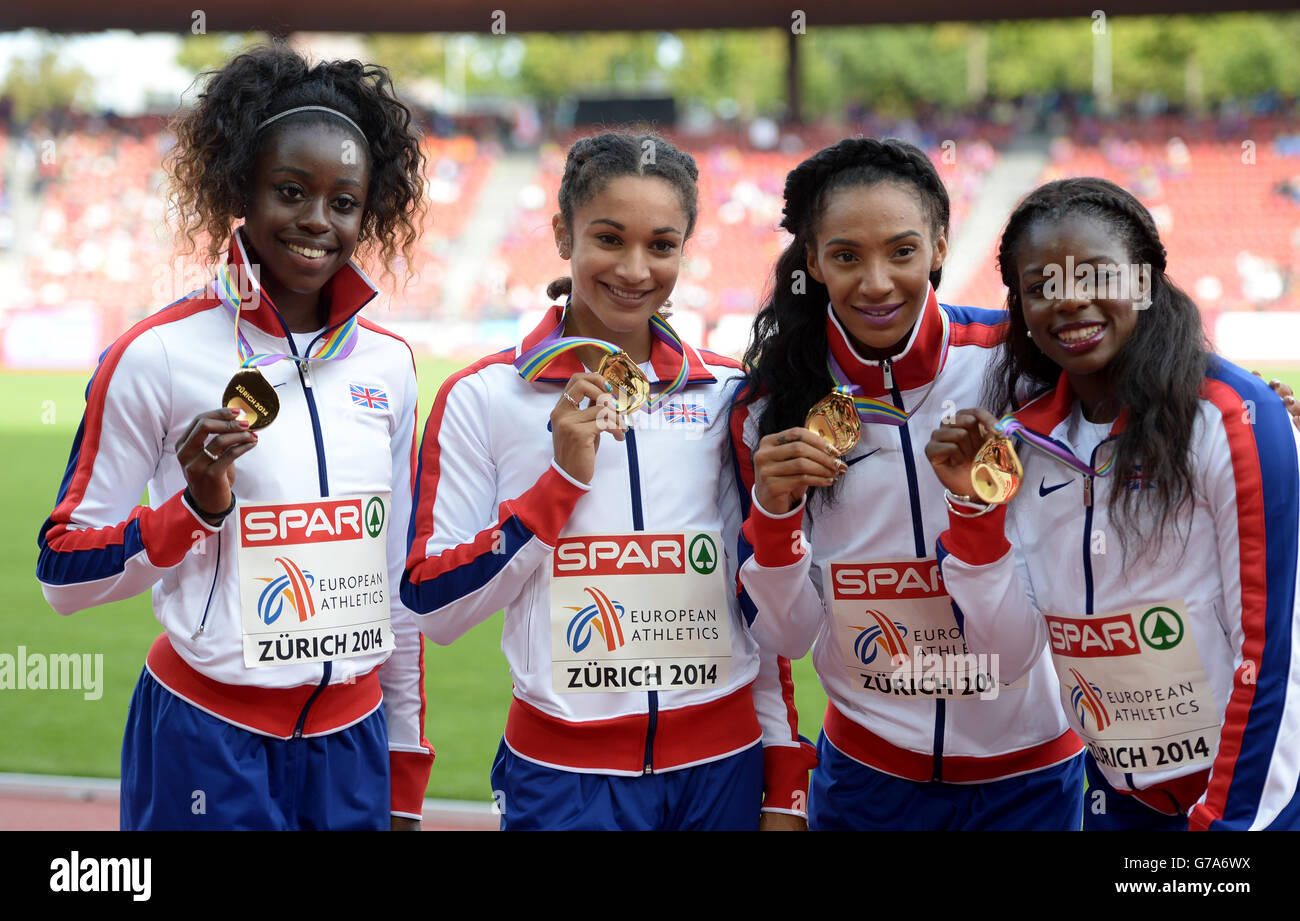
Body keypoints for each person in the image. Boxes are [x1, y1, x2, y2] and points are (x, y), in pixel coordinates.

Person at [36, 44, 434, 830]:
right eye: (291, 191)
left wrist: (405, 769)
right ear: (240, 189)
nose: (318, 221)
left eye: (344, 201)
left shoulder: (391, 366)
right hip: (205, 743)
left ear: (369, 209)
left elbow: (396, 590)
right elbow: (63, 574)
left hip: (351, 751)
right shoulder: (156, 354)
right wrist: (195, 507)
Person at [401, 132, 814, 831]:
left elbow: (763, 617)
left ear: (685, 246)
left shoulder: (732, 394)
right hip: (564, 777)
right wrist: (555, 485)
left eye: (661, 244)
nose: (634, 268)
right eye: (609, 238)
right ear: (563, 233)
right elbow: (435, 606)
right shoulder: (483, 395)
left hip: (723, 770)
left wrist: (784, 779)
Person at [732, 138, 1087, 831]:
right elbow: (791, 633)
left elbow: (1151, 392)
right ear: (813, 260)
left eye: (901, 251)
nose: (875, 282)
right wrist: (773, 517)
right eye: (845, 256)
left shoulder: (1023, 362)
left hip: (1032, 775)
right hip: (868, 779)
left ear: (940, 245)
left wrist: (1253, 408)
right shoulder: (768, 405)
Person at [927, 176, 1300, 830]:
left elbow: (1270, 656)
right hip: (1110, 802)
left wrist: (1228, 824)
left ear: (1146, 281)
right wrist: (975, 515)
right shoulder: (1018, 446)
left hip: (1253, 798)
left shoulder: (1233, 419)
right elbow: (1010, 654)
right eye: (1041, 286)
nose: (1069, 301)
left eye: (1097, 275)